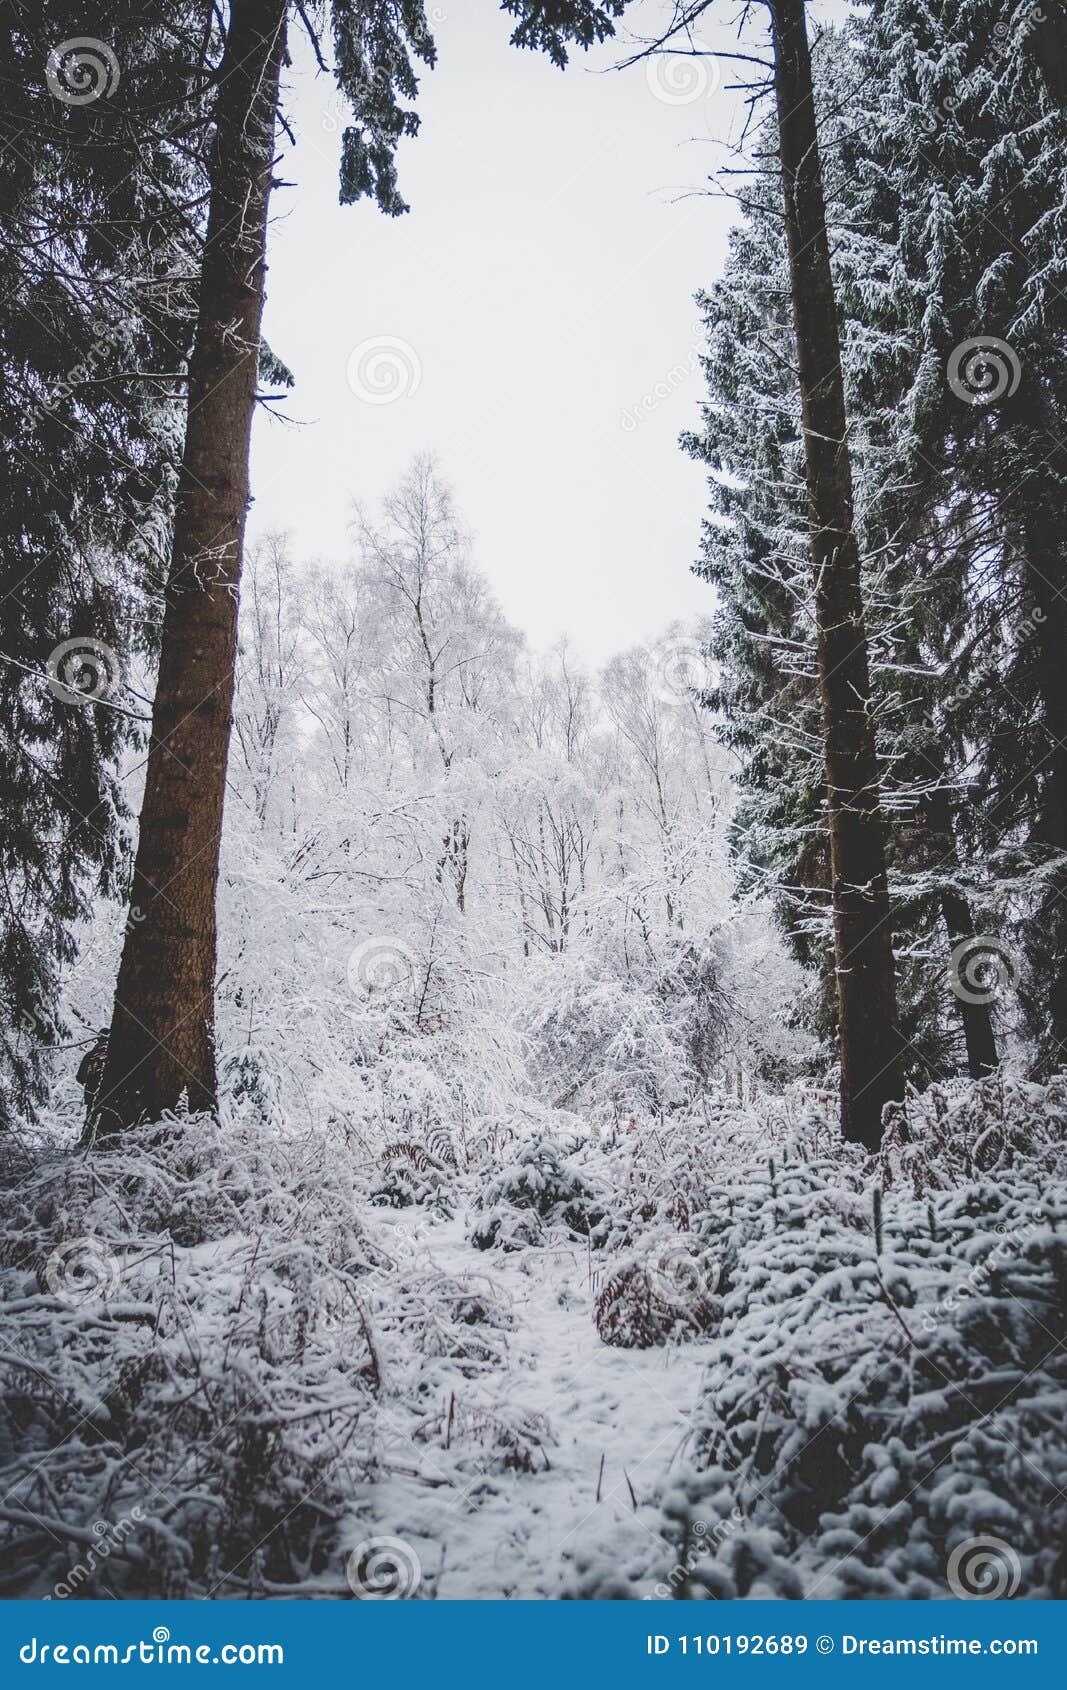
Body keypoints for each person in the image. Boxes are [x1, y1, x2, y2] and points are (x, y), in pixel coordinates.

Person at [76, 1028, 109, 1116]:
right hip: (111, 1095)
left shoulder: (90, 1056)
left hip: (92, 1092)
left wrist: (89, 1076)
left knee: (91, 1116)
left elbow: (80, 1078)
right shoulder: (117, 1054)